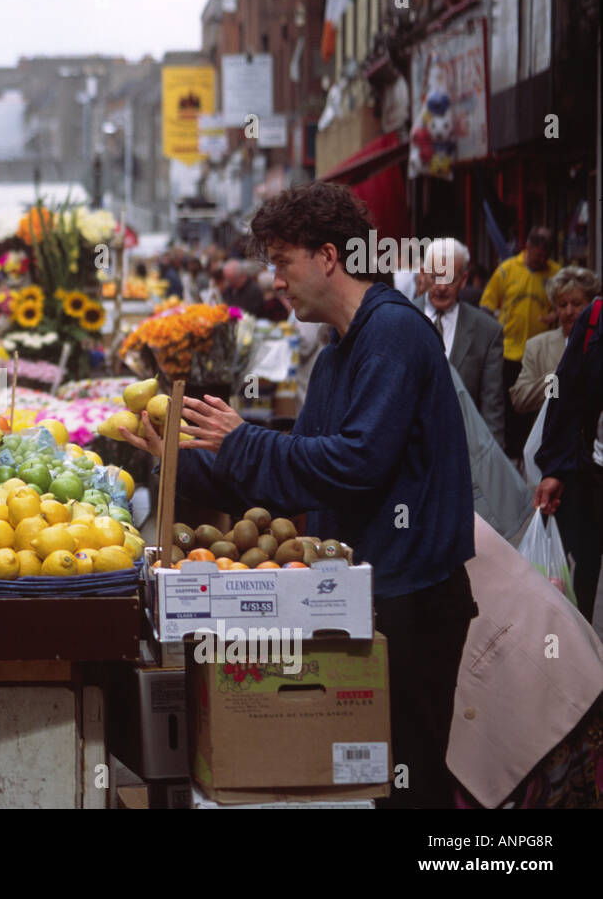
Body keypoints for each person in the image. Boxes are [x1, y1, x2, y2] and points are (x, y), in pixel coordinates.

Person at [122, 181, 477, 809]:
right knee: (361, 783)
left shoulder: (393, 334)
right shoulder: (344, 348)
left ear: (328, 257)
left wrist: (240, 443)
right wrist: (181, 458)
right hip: (361, 593)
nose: (275, 281)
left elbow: (355, 461)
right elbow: (301, 463)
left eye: (283, 261)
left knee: (405, 780)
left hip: (410, 603)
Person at [533, 287, 603, 624]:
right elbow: (564, 393)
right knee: (587, 561)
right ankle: (583, 648)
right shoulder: (593, 320)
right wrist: (555, 469)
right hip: (594, 470)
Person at [412, 238, 506, 449]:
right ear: (424, 275)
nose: (442, 287)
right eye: (436, 277)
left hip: (464, 453)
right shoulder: (400, 318)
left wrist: (493, 462)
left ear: (464, 280)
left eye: (450, 278)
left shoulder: (487, 331)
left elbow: (493, 405)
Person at [481, 227, 561, 459]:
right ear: (528, 247)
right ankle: (510, 454)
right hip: (509, 352)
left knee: (537, 407)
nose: (542, 260)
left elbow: (565, 305)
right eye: (538, 255)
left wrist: (555, 316)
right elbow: (486, 306)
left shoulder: (555, 274)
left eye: (546, 256)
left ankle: (533, 453)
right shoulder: (506, 270)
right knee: (507, 406)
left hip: (540, 355)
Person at [510, 266, 600, 416]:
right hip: (553, 436)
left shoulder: (599, 344)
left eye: (577, 304)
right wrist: (559, 380)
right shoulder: (537, 346)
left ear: (591, 305)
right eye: (563, 305)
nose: (569, 311)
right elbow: (520, 398)